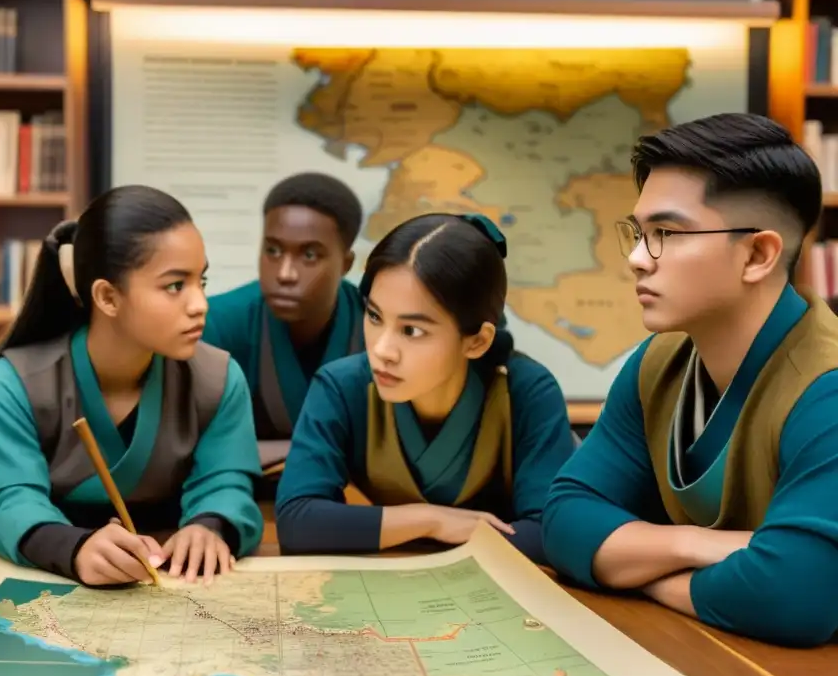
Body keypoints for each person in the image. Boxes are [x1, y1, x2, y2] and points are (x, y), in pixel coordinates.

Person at [541, 112, 838, 648]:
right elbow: (564, 520)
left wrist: (646, 576)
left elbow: (796, 596)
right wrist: (699, 546)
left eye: (667, 234)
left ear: (757, 254)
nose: (636, 259)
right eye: (638, 233)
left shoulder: (828, 388)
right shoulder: (659, 362)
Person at [0, 185, 264, 587]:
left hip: (173, 575)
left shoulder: (220, 378)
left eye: (201, 281)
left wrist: (210, 527)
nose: (200, 304)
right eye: (176, 286)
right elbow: (10, 501)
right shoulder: (12, 383)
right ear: (107, 296)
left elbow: (226, 483)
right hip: (54, 580)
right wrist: (74, 548)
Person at [274, 212, 575, 564]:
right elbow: (297, 523)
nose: (382, 350)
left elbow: (551, 534)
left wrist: (383, 529)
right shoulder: (341, 387)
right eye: (374, 316)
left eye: (412, 331)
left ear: (477, 342)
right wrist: (431, 520)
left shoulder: (526, 392)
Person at [202, 172, 364, 472]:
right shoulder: (215, 323)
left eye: (310, 255)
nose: (285, 273)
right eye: (273, 250)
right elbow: (190, 448)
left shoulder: (375, 324)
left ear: (346, 263)